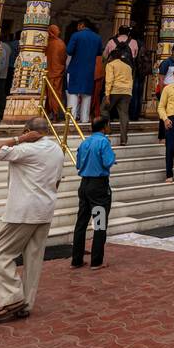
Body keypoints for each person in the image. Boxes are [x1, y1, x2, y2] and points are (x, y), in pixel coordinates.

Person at [0, 117, 64, 324]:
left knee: (1, 254)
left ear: (29, 132)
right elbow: (57, 180)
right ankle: (26, 303)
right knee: (34, 258)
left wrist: (18, 139)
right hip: (45, 209)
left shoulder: (27, 149)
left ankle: (12, 300)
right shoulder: (57, 149)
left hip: (22, 211)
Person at [71, 115, 115, 270]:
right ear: (105, 126)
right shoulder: (104, 142)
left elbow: (78, 164)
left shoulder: (85, 143)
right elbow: (108, 162)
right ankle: (96, 260)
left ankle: (76, 259)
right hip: (98, 186)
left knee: (81, 222)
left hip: (84, 184)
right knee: (99, 223)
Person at [104, 47, 134, 145]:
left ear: (111, 56)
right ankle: (124, 140)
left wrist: (107, 94)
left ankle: (106, 129)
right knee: (124, 115)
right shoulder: (128, 66)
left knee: (104, 109)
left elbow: (109, 80)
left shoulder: (110, 64)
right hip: (127, 92)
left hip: (114, 90)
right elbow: (131, 80)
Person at [44, 24, 66, 118]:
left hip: (47, 71)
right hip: (57, 71)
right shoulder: (60, 43)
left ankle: (47, 113)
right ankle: (55, 114)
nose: (60, 32)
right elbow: (63, 58)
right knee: (56, 93)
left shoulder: (45, 43)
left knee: (47, 93)